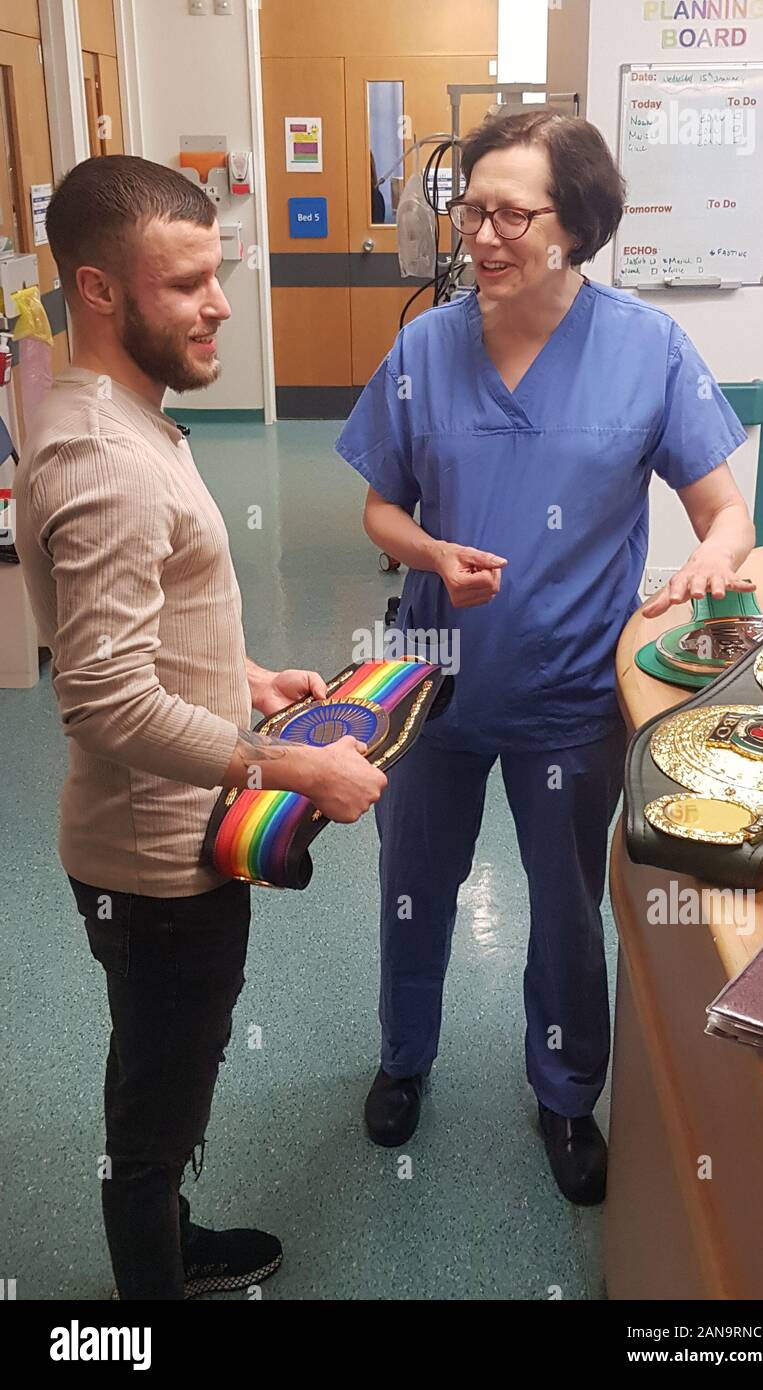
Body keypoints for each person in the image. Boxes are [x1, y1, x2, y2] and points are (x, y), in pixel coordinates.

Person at [336, 111, 755, 1205]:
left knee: (567, 903)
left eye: (508, 213)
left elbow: (724, 511)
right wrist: (426, 546)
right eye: (468, 208)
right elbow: (379, 508)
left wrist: (708, 560)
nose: (480, 234)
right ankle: (401, 1057)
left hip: (570, 689)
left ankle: (565, 1094)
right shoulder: (425, 345)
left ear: (574, 227)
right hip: (429, 675)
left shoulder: (643, 348)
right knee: (410, 885)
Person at [14, 156, 387, 1299]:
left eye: (215, 274)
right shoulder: (105, 457)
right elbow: (105, 697)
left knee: (180, 1065)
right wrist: (294, 768)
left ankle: (172, 1242)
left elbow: (146, 626)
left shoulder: (115, 418)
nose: (220, 303)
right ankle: (148, 1298)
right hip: (155, 869)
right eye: (185, 284)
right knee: (154, 1109)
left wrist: (241, 673)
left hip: (183, 840)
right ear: (100, 292)